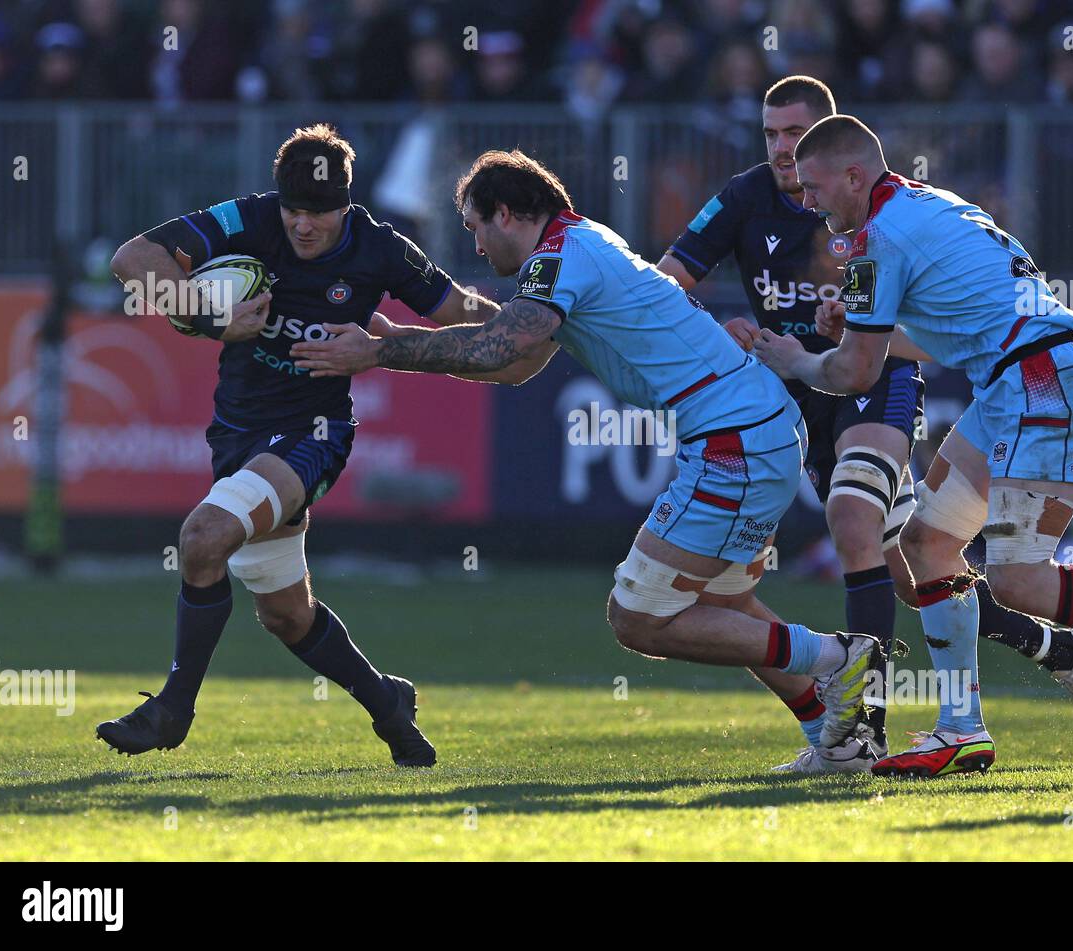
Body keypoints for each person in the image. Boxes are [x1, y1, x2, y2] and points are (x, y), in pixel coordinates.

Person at [292, 149, 885, 763]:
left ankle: (836, 657)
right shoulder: (577, 244)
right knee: (720, 604)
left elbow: (500, 347)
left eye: (473, 227)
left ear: (504, 213)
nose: (475, 246)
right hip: (754, 430)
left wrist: (381, 353)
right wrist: (394, 341)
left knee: (638, 616)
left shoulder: (560, 258)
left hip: (735, 440)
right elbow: (519, 362)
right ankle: (838, 740)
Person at [659, 76, 1073, 772]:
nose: (782, 148)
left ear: (827, 138)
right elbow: (666, 285)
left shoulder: (869, 207)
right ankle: (1056, 647)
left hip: (874, 378)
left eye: (794, 133)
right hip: (811, 394)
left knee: (851, 518)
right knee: (914, 575)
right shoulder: (742, 198)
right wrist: (711, 329)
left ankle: (860, 732)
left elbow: (879, 345)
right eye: (771, 133)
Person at [753, 114, 1073, 777]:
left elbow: (854, 373)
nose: (805, 201)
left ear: (854, 176)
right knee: (926, 542)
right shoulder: (924, 205)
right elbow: (952, 335)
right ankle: (961, 729)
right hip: (1019, 379)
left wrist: (794, 359)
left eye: (812, 187)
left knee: (1016, 578)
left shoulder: (874, 242)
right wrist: (865, 331)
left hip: (1041, 383)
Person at [97, 124, 533, 766]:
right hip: (237, 435)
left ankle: (172, 709)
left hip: (312, 437)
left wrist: (538, 321)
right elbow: (131, 263)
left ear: (346, 207)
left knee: (202, 538)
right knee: (286, 616)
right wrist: (205, 312)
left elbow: (454, 309)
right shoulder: (247, 219)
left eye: (320, 214)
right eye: (294, 210)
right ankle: (387, 702)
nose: (304, 226)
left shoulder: (381, 247)